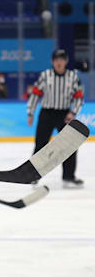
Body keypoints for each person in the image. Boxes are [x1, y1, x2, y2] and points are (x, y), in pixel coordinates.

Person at [27, 48, 85, 188]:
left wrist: (73, 113)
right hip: (46, 113)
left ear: (66, 61)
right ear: (52, 62)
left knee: (69, 146)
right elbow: (35, 94)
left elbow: (79, 98)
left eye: (61, 59)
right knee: (40, 146)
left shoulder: (73, 77)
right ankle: (33, 176)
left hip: (65, 115)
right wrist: (30, 112)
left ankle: (69, 176)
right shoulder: (45, 75)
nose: (59, 62)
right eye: (56, 60)